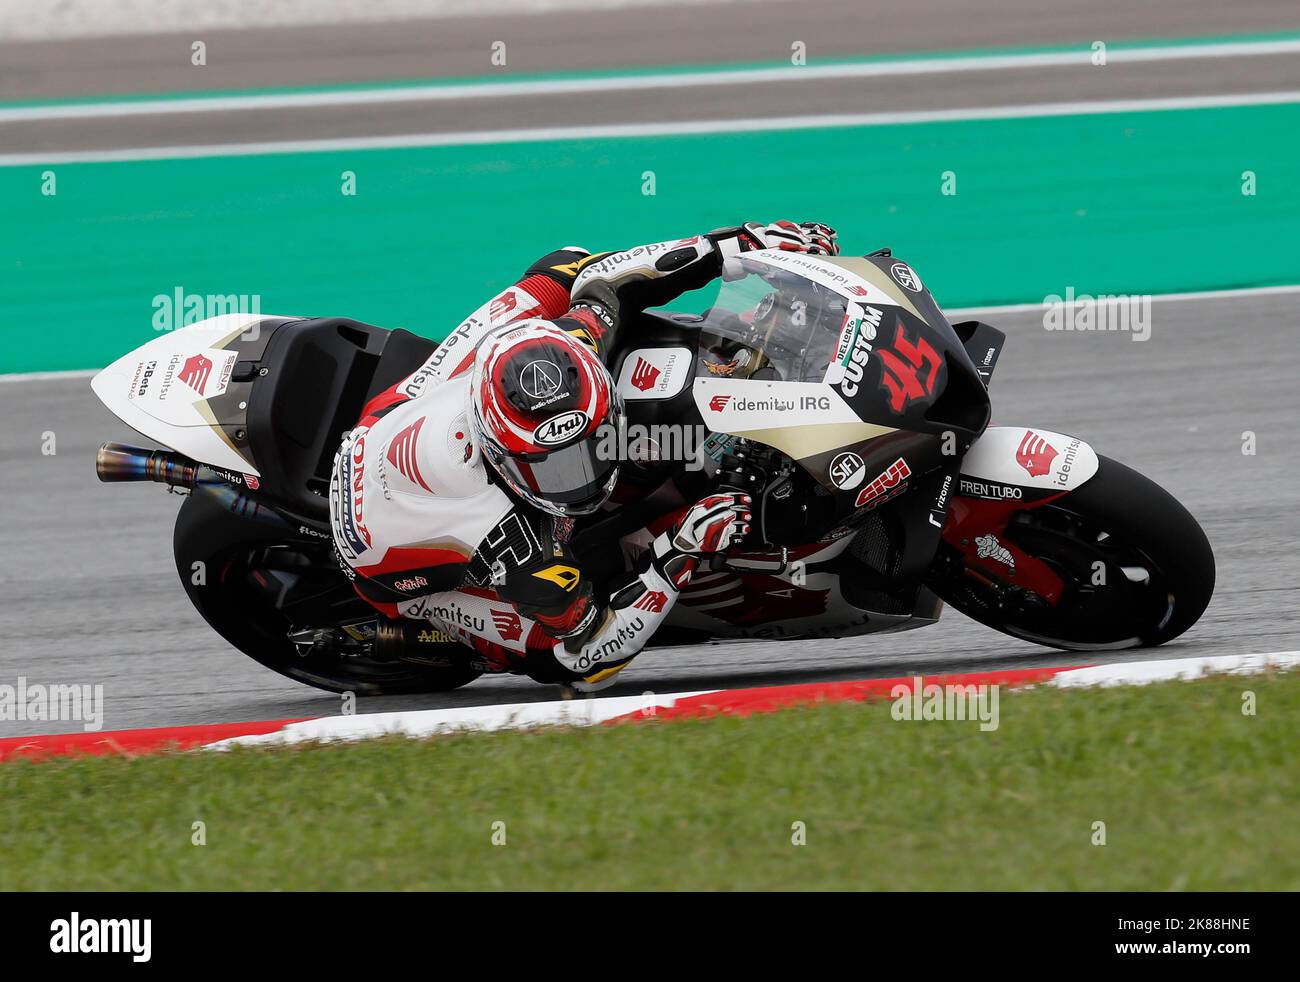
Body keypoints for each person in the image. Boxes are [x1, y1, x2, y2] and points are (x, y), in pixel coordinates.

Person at [329, 220, 838, 690]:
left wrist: (737, 244)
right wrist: (681, 550)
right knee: (546, 651)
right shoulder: (512, 546)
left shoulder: (570, 336)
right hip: (382, 546)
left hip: (396, 412)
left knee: (564, 267)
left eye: (592, 443)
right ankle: (421, 623)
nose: (584, 473)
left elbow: (601, 277)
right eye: (554, 465)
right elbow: (588, 657)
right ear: (502, 458)